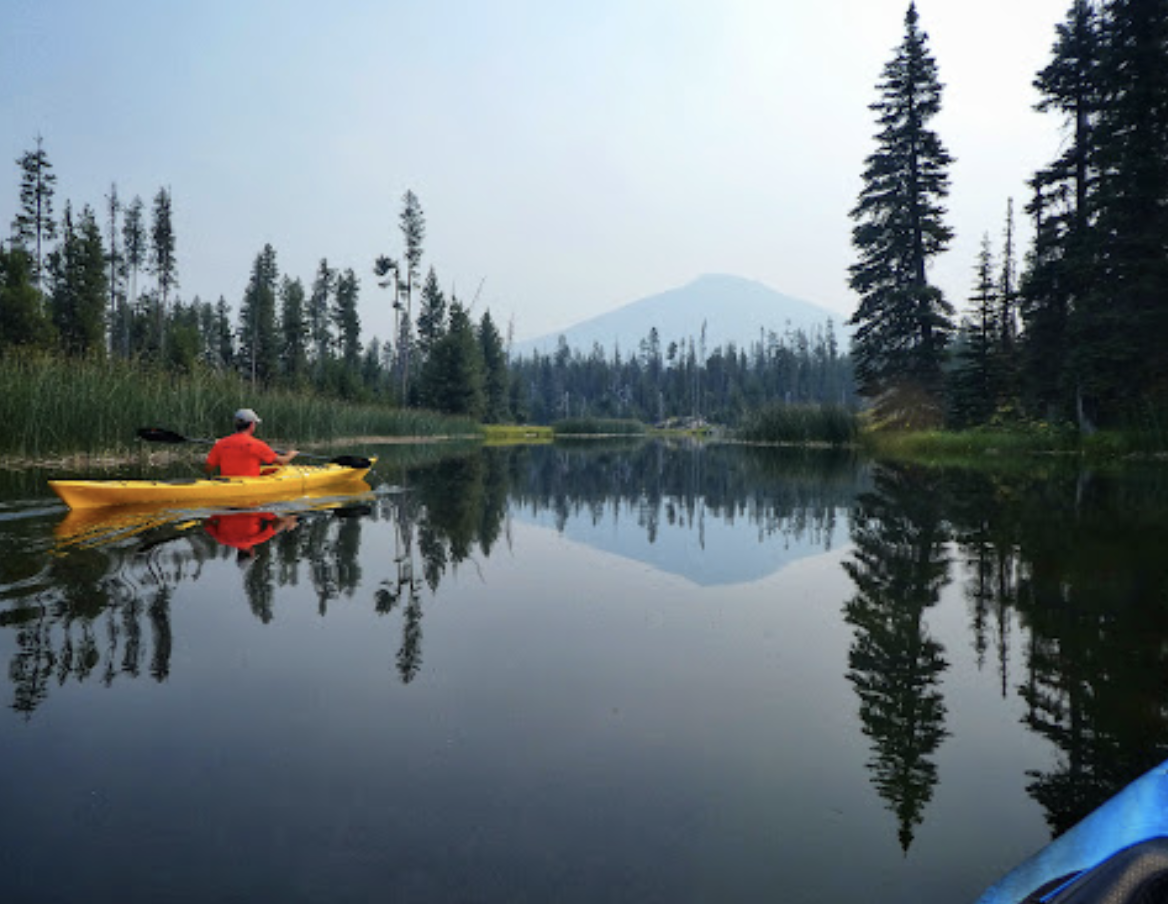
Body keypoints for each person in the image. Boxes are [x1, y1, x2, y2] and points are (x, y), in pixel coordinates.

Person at [205, 408, 298, 477]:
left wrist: (221, 449)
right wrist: (291, 454)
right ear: (251, 425)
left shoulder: (221, 444)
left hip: (227, 484)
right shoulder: (257, 444)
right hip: (249, 487)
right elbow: (282, 461)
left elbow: (208, 468)